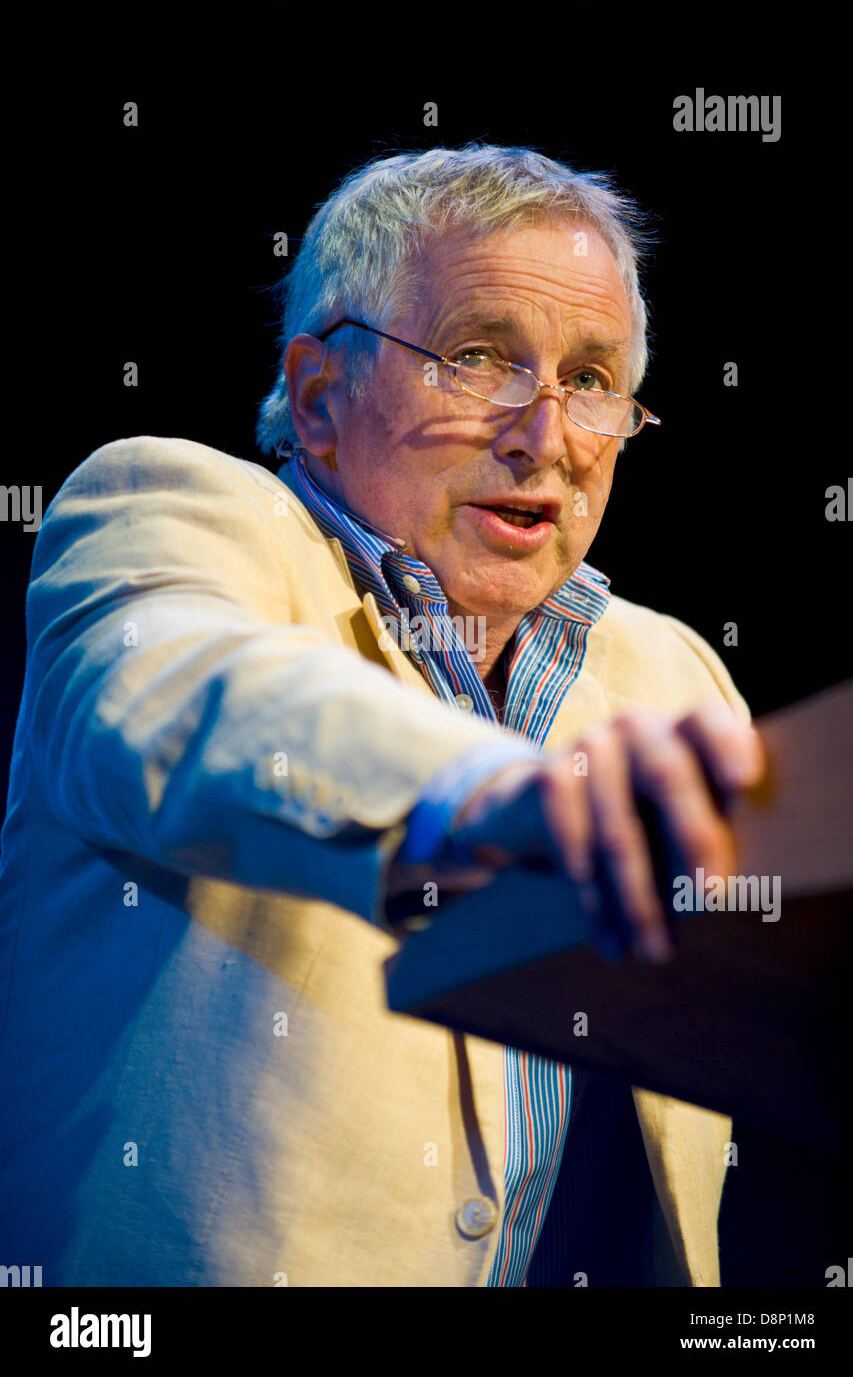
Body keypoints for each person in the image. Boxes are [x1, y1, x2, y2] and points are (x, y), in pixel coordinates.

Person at [0, 144, 763, 1287]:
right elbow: (179, 694)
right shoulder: (174, 516)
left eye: (593, 379)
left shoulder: (676, 675)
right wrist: (482, 794)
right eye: (476, 358)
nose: (544, 437)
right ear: (319, 397)